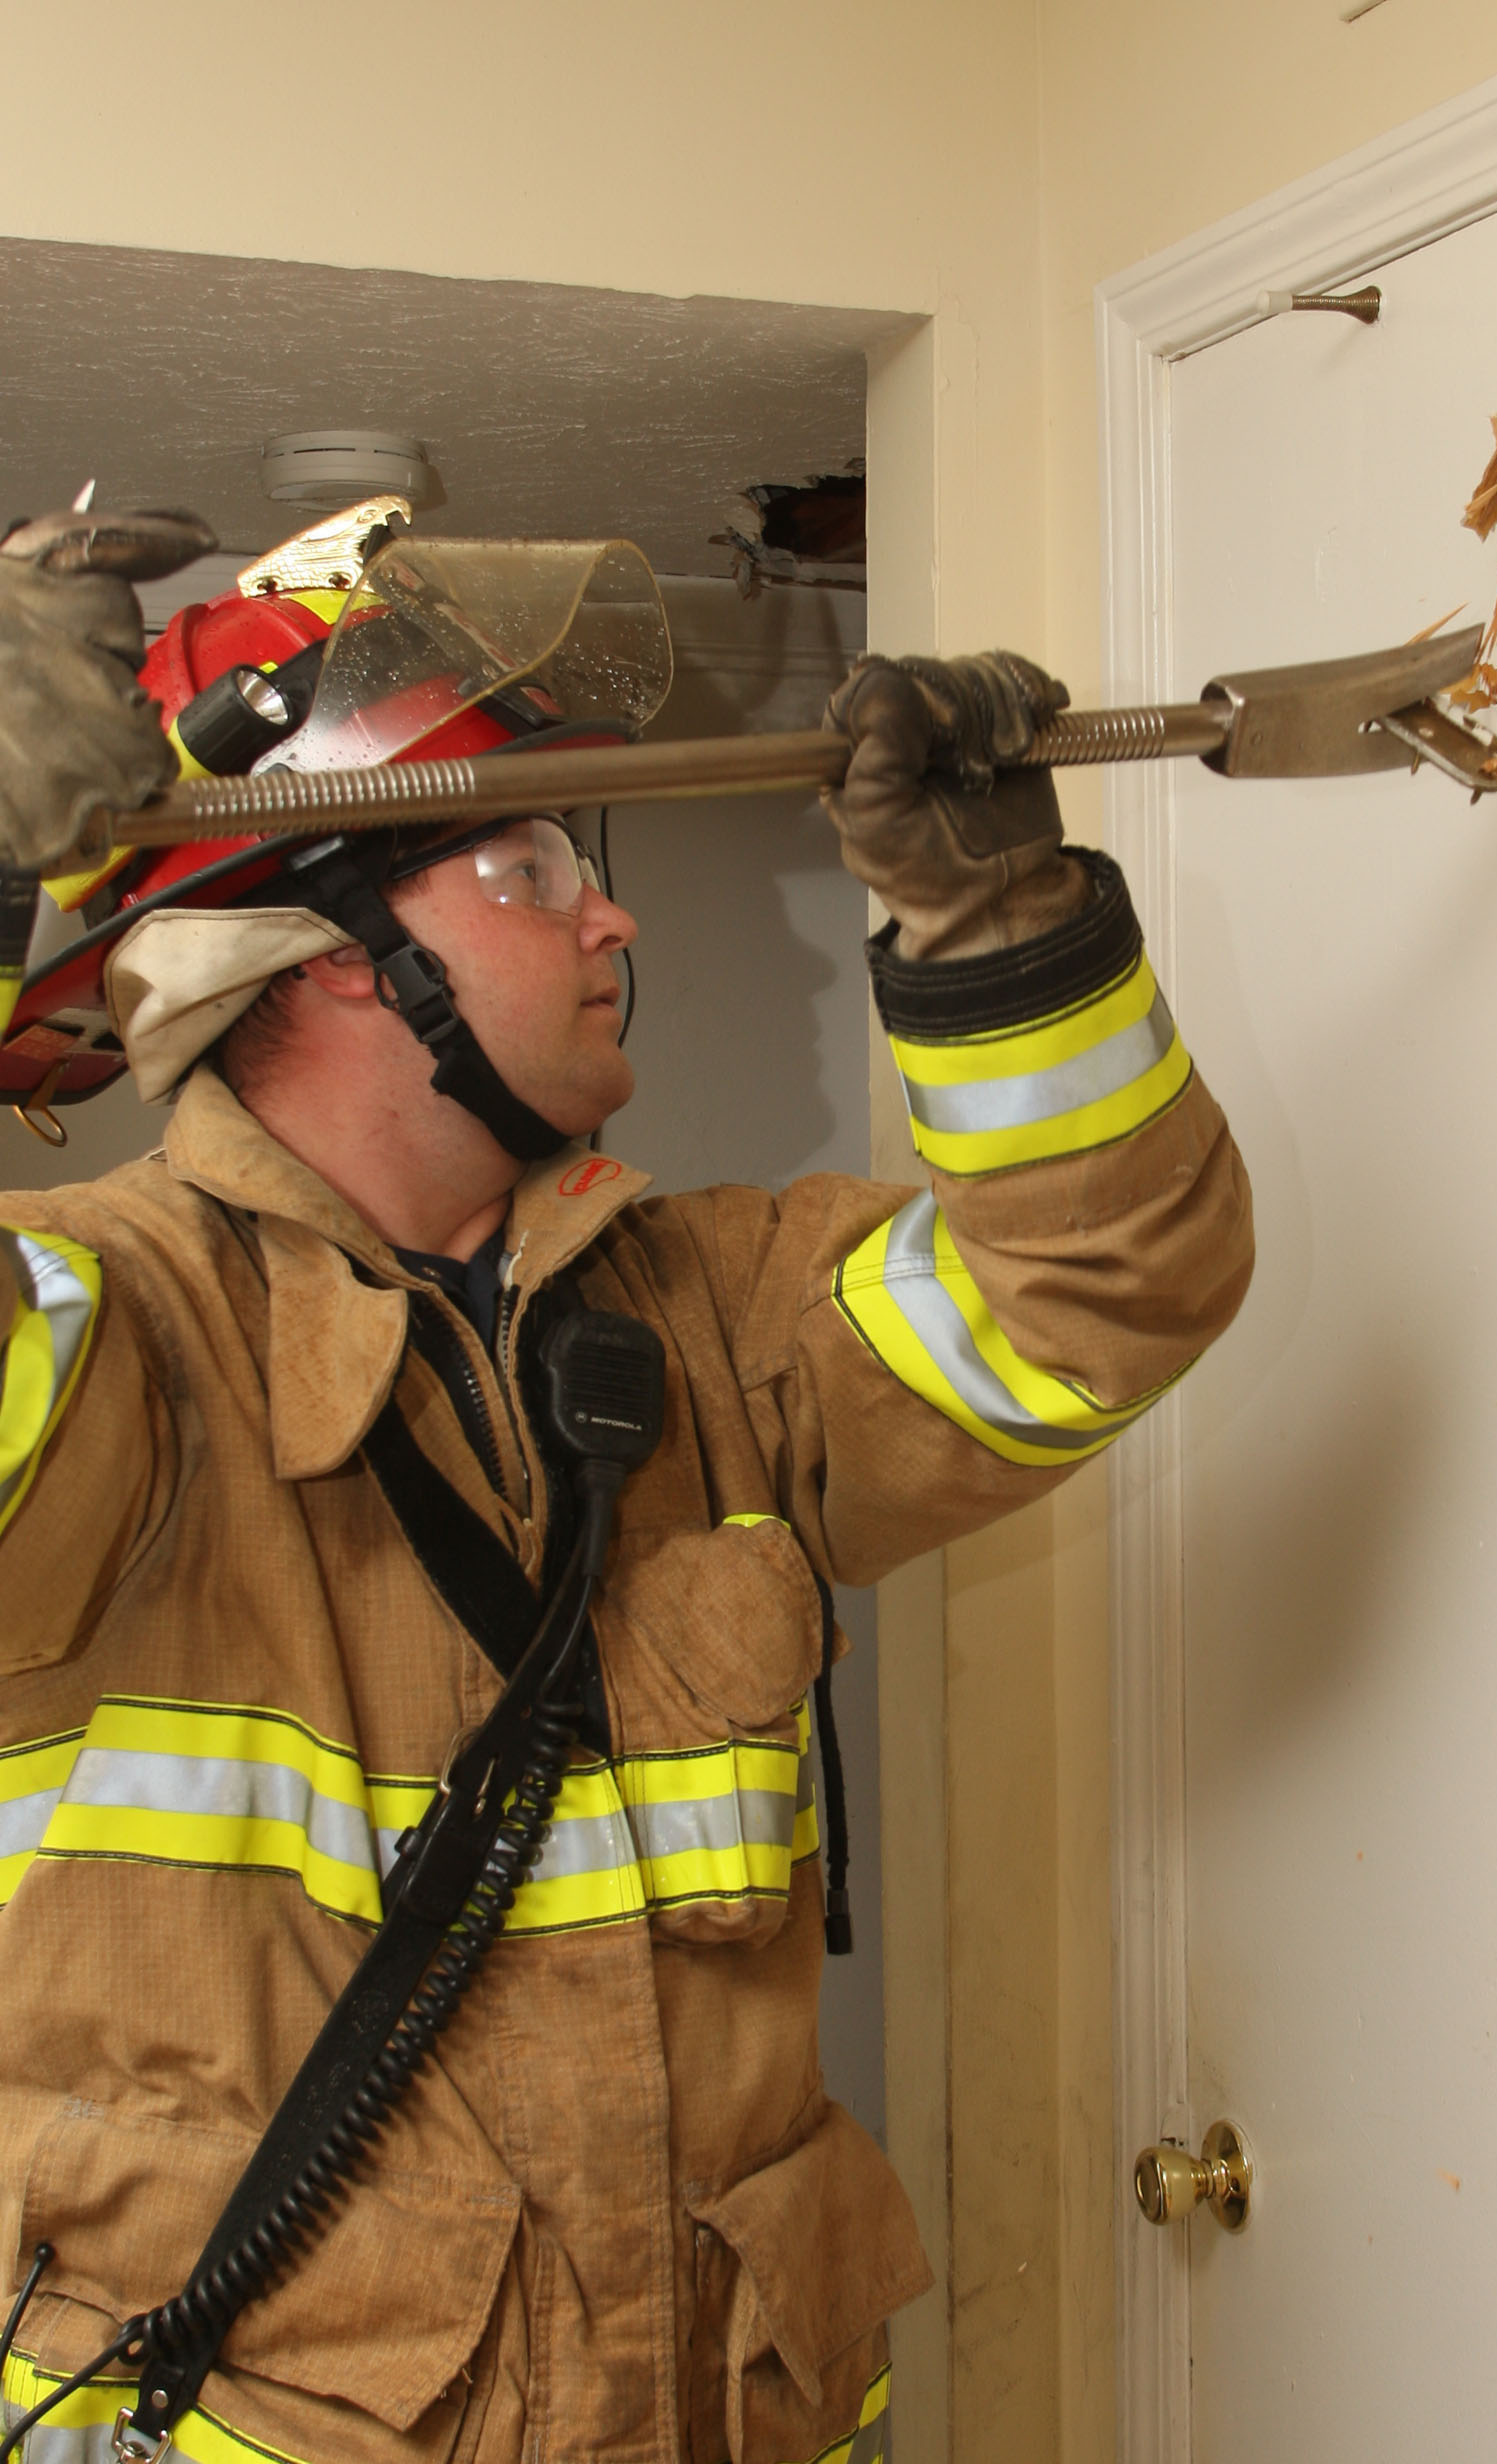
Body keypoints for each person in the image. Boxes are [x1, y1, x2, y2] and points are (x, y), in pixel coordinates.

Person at [0, 504, 1253, 2464]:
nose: (614, 918)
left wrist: (998, 925)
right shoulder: (101, 1346)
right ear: (320, 957)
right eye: (525, 866)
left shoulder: (718, 1310)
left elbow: (1098, 1289)